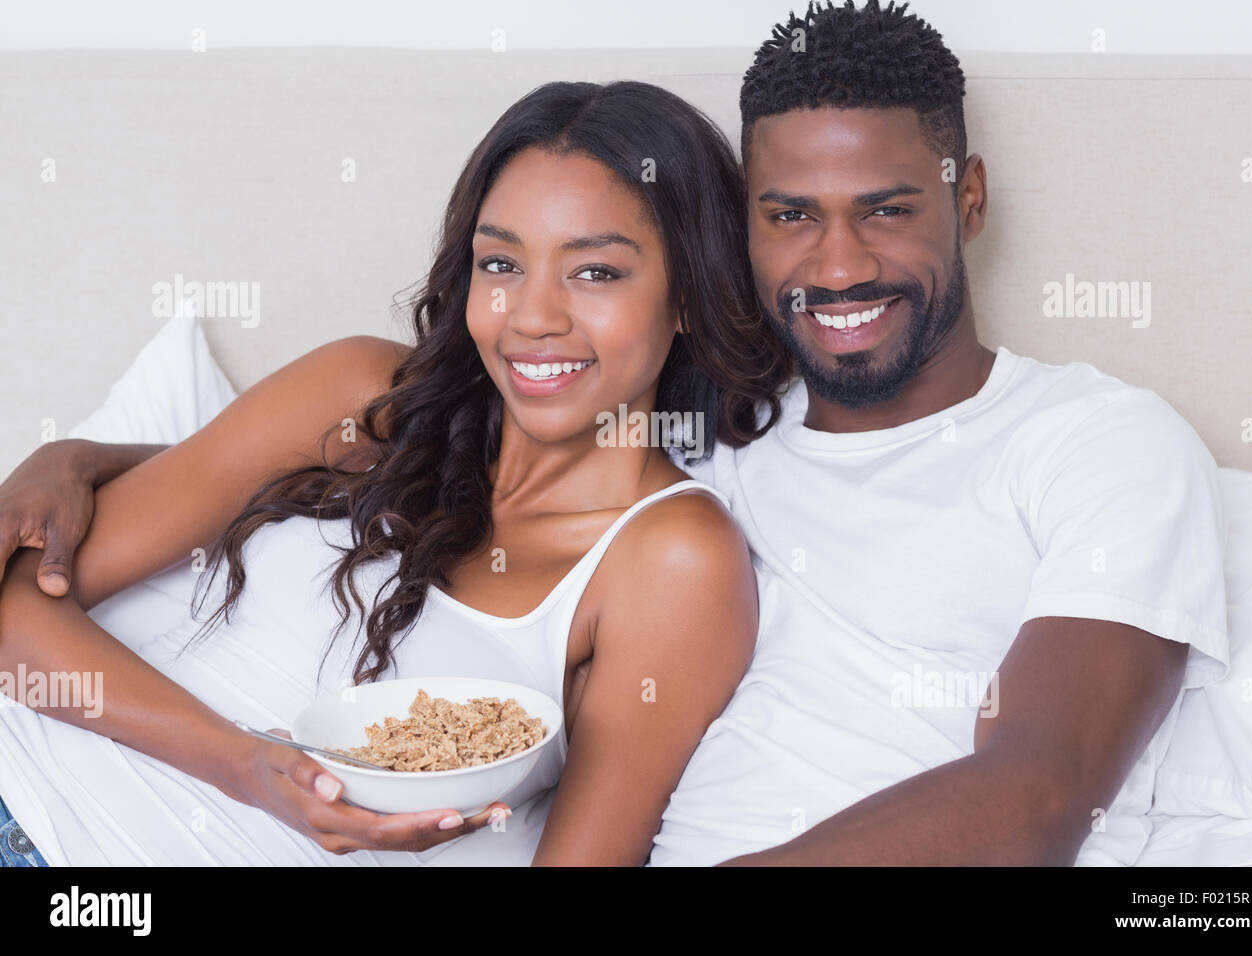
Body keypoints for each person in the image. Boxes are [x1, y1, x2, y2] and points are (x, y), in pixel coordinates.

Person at [3, 0, 1229, 867]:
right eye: (789, 214)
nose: (837, 260)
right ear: (741, 241)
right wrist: (91, 458)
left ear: (966, 199)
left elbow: (1037, 791)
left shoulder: (1088, 440)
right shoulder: (671, 427)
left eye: (887, 209)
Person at [0, 79, 790, 866]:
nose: (533, 316)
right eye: (502, 263)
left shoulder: (674, 560)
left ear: (687, 293)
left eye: (595, 273)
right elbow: (17, 616)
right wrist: (248, 768)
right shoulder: (365, 397)